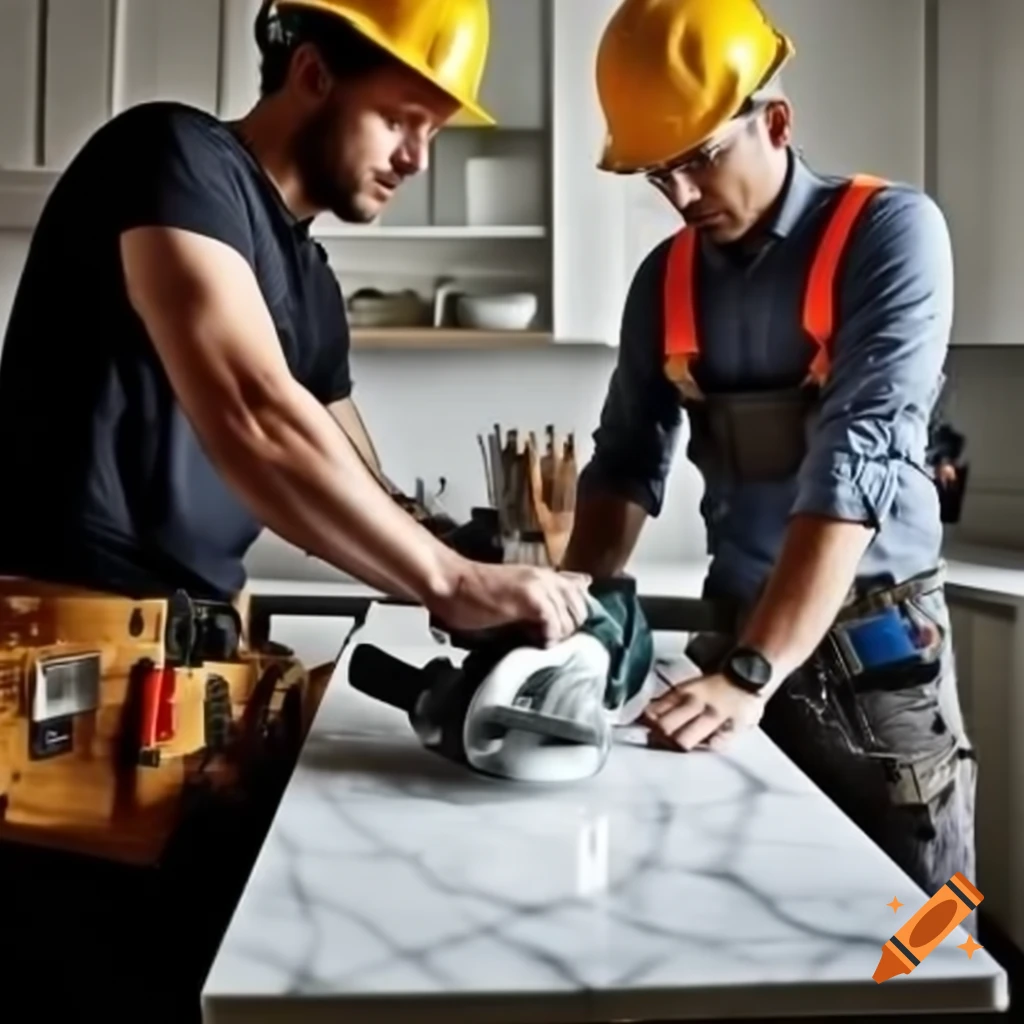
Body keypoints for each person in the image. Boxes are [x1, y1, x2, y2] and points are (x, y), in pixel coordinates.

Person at [0, 0, 591, 646]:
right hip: (61, 629)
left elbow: (348, 476)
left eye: (433, 132)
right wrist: (454, 582)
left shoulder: (312, 285)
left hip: (189, 634)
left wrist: (461, 548)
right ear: (313, 74)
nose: (418, 160)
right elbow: (256, 413)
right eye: (398, 120)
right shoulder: (174, 161)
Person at [562, 0, 976, 896]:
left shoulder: (890, 234)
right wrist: (572, 620)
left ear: (776, 123)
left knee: (923, 907)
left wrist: (754, 672)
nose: (679, 197)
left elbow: (857, 458)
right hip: (738, 627)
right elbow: (626, 459)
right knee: (751, 897)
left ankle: (942, 973)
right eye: (657, 174)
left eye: (699, 159)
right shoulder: (664, 280)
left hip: (878, 645)